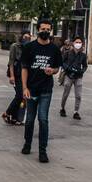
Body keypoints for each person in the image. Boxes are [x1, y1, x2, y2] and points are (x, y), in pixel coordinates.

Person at [19, 21, 62, 163]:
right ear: (38, 30)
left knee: (43, 119)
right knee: (30, 120)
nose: (45, 31)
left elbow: (57, 68)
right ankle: (27, 144)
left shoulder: (54, 49)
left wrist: (52, 71)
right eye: (43, 29)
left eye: (48, 29)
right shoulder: (29, 47)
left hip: (46, 90)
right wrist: (24, 88)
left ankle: (42, 151)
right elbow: (24, 68)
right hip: (31, 90)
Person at [1, 30, 29, 125]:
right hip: (16, 74)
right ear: (21, 37)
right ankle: (7, 113)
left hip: (25, 75)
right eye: (25, 37)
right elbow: (11, 62)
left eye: (29, 37)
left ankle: (15, 118)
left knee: (22, 97)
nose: (27, 39)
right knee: (20, 95)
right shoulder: (14, 46)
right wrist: (12, 76)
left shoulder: (29, 47)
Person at [58, 37, 87, 120]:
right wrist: (67, 68)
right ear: (73, 43)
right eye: (77, 42)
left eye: (80, 42)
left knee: (78, 95)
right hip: (69, 75)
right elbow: (62, 62)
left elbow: (85, 66)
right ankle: (62, 108)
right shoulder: (67, 53)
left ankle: (76, 112)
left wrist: (82, 71)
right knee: (65, 94)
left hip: (78, 76)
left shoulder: (83, 55)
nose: (78, 44)